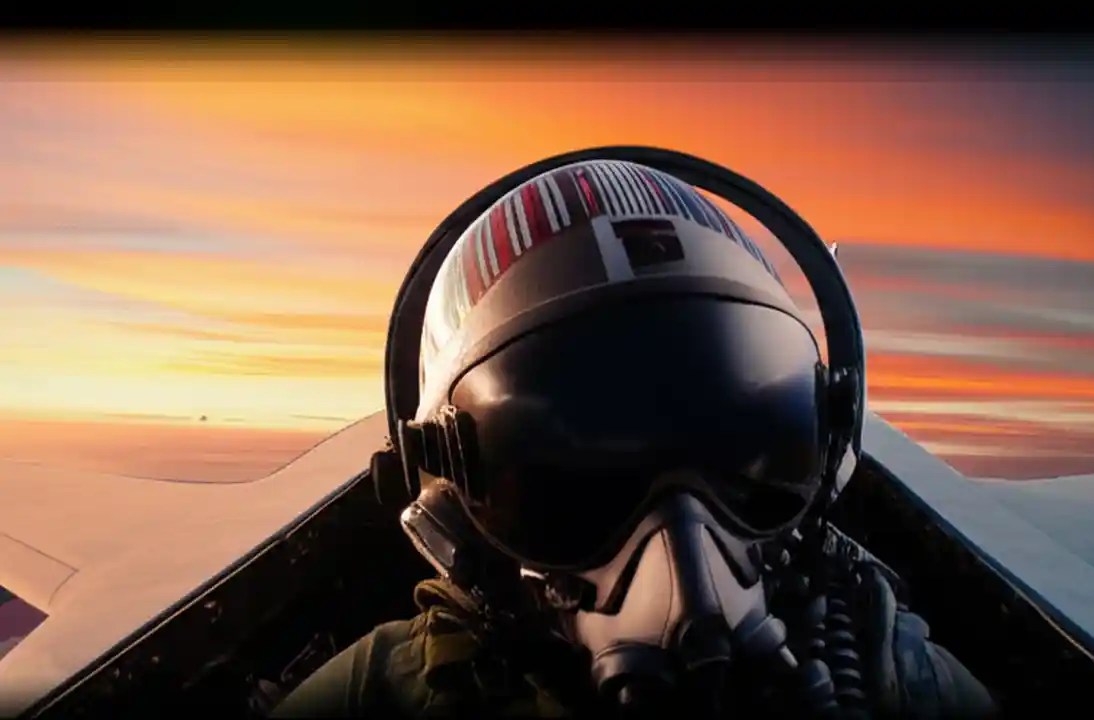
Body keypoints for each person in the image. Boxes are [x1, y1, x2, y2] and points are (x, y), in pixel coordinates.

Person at [271, 159, 997, 718]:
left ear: (826, 438)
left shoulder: (895, 677)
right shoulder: (382, 694)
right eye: (573, 473)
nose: (683, 548)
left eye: (734, 441)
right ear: (453, 512)